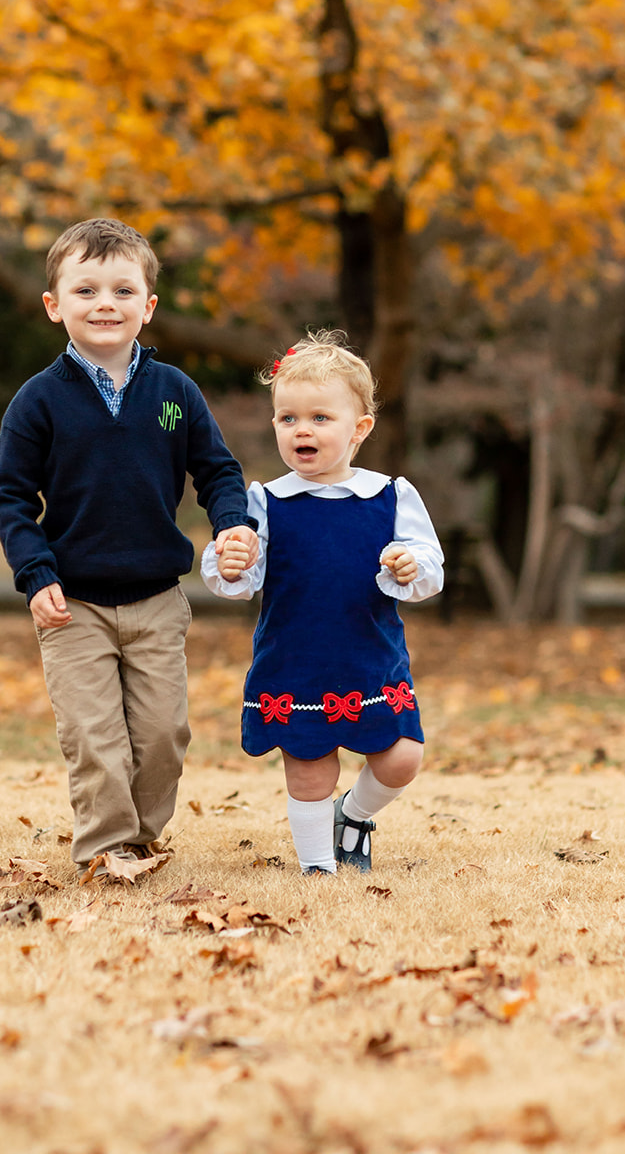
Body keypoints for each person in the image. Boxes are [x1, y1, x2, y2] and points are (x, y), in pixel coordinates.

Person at [0, 217, 259, 879]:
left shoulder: (175, 393)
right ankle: (106, 852)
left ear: (149, 305)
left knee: (163, 734)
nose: (104, 303)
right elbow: (12, 499)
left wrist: (233, 524)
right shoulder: (38, 401)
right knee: (94, 737)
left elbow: (218, 471)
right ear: (54, 306)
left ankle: (139, 839)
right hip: (73, 604)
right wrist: (36, 574)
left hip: (157, 599)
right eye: (85, 290)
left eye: (122, 290)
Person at [201, 331, 443, 875]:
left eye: (319, 418)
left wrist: (410, 563)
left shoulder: (389, 495)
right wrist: (231, 561)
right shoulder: (267, 500)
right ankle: (317, 866)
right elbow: (239, 577)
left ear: (360, 429)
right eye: (287, 418)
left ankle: (353, 816)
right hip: (296, 659)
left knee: (402, 757)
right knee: (310, 768)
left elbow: (430, 566)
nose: (301, 429)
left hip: (371, 656)